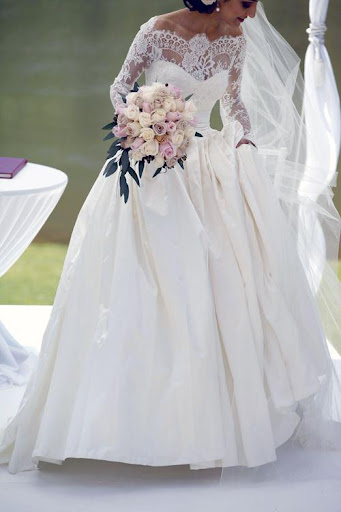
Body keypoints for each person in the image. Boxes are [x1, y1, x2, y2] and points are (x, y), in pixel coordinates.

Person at [1, 0, 341, 475]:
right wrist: (135, 120)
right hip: (150, 164)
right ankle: (100, 425)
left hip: (208, 164)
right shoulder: (157, 30)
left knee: (213, 280)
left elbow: (234, 105)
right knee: (134, 282)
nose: (252, 11)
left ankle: (196, 429)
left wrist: (243, 136)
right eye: (246, 2)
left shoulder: (235, 41)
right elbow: (121, 85)